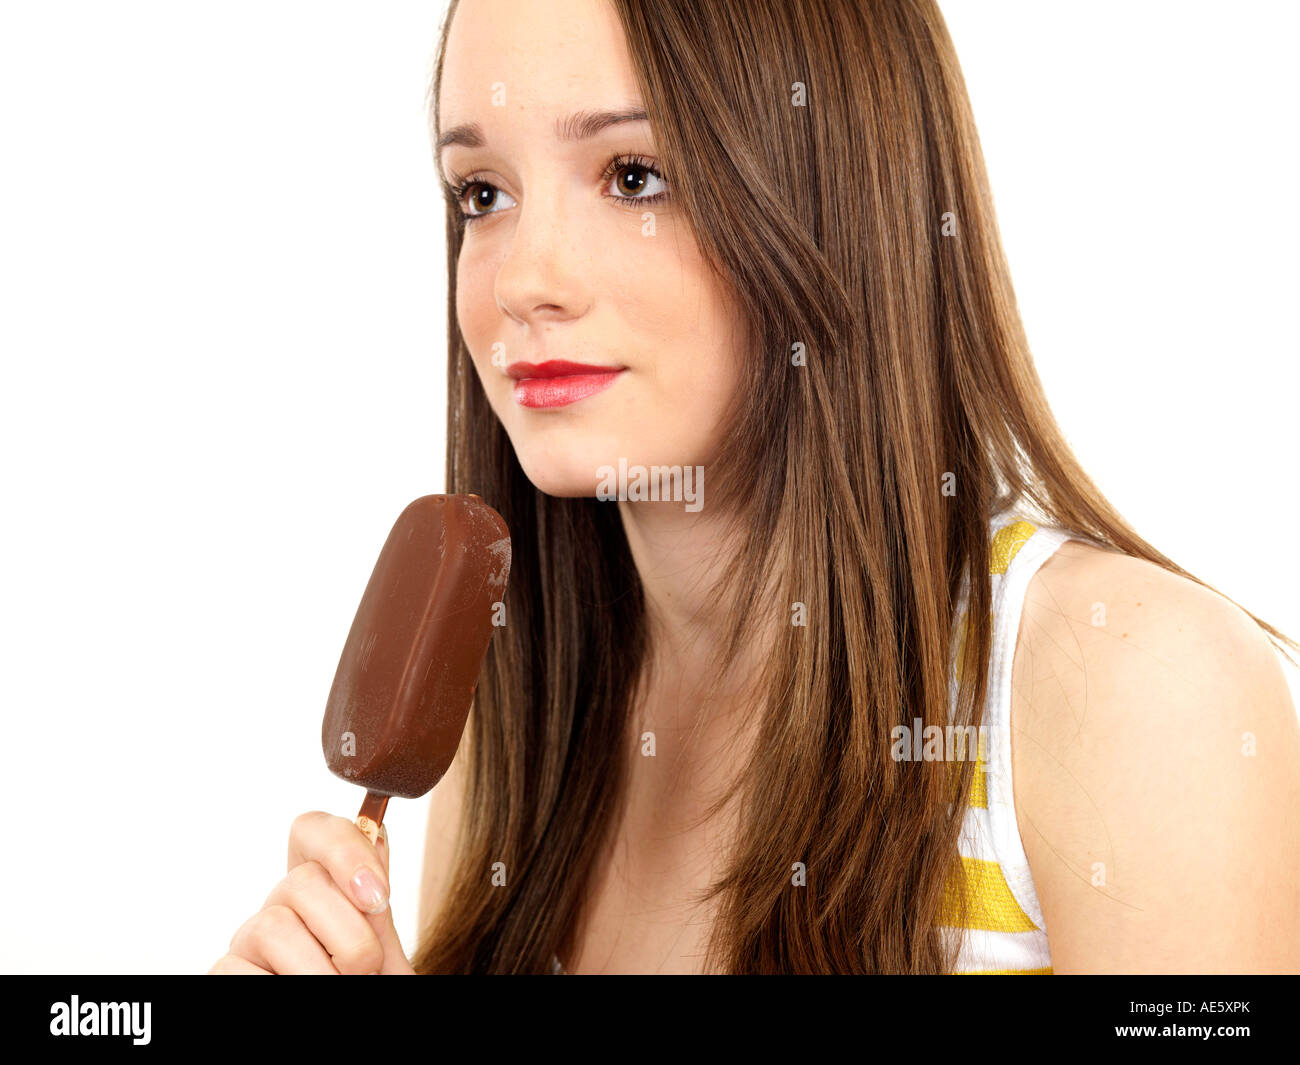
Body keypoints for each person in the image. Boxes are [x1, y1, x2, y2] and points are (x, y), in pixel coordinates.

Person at [209, 0, 1300, 975]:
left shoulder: (1133, 693)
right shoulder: (516, 726)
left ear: (834, 198)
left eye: (633, 176)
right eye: (482, 193)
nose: (524, 281)